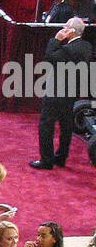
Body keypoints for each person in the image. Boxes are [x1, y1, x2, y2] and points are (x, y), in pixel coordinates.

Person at [30, 17, 93, 169]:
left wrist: (56, 39)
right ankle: (61, 157)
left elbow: (49, 57)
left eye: (66, 26)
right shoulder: (86, 46)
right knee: (66, 127)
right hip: (71, 93)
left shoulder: (68, 49)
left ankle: (47, 160)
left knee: (46, 125)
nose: (63, 27)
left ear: (71, 31)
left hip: (56, 93)